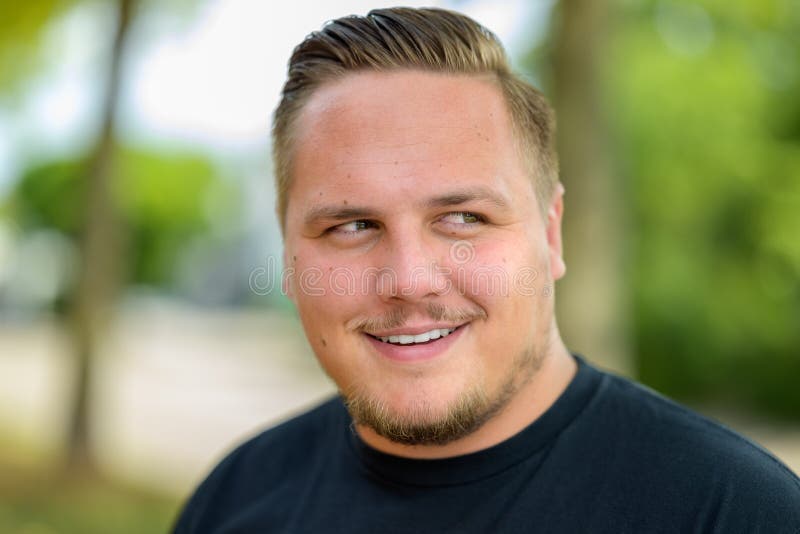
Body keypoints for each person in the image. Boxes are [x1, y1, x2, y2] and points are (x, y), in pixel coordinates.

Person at [174, 7, 800, 533]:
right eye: (353, 226)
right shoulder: (234, 500)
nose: (409, 280)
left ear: (550, 232)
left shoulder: (737, 514)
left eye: (463, 218)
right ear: (288, 257)